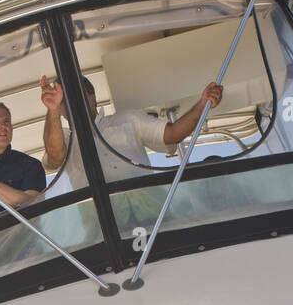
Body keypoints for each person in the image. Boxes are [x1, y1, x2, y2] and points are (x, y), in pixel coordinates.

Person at [40, 75, 224, 229]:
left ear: (92, 97)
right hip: (103, 228)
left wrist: (202, 105)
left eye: (77, 96)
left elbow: (173, 134)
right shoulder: (63, 137)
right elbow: (55, 156)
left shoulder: (127, 119)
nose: (72, 104)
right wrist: (52, 109)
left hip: (153, 215)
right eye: (64, 101)